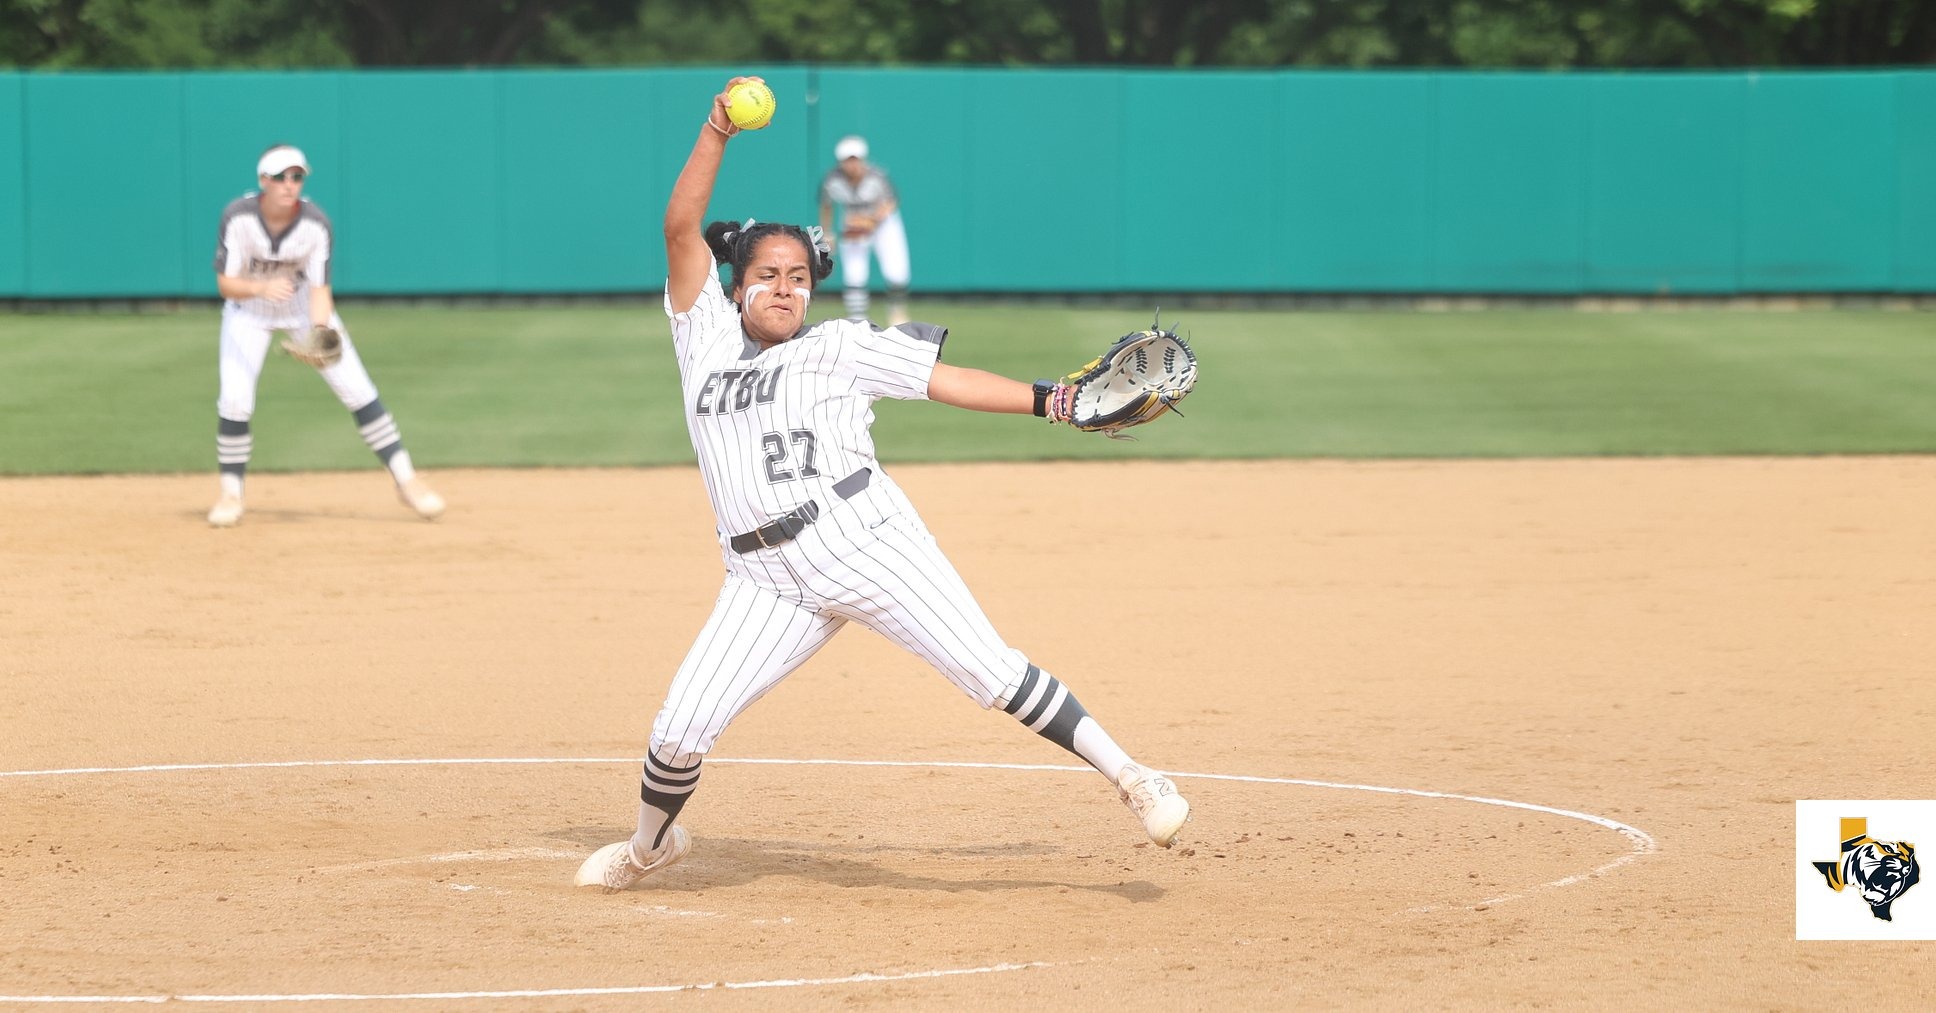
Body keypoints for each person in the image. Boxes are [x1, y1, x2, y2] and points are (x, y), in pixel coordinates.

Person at [574, 77, 1190, 892]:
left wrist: (1056, 400)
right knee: (680, 727)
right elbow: (679, 227)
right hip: (760, 578)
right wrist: (716, 130)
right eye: (769, 273)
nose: (786, 287)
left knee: (990, 671)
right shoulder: (704, 339)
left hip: (864, 538)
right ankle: (650, 847)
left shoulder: (839, 346)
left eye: (800, 275)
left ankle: (1136, 778)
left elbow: (948, 379)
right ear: (736, 283)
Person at [206, 144, 444, 527]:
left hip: (303, 309)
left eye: (297, 176)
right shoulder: (238, 217)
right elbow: (225, 284)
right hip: (248, 310)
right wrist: (261, 288)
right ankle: (231, 494)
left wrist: (319, 331)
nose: (289, 184)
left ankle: (407, 481)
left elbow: (320, 291)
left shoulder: (316, 224)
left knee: (358, 391)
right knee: (235, 401)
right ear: (263, 180)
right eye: (281, 177)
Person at [817, 134, 911, 326]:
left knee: (896, 272)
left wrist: (871, 220)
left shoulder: (877, 176)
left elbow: (890, 202)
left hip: (884, 225)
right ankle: (858, 320)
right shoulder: (832, 179)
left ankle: (897, 311)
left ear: (863, 159)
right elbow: (826, 205)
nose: (852, 165)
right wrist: (828, 232)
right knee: (854, 276)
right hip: (853, 222)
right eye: (847, 160)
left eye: (856, 159)